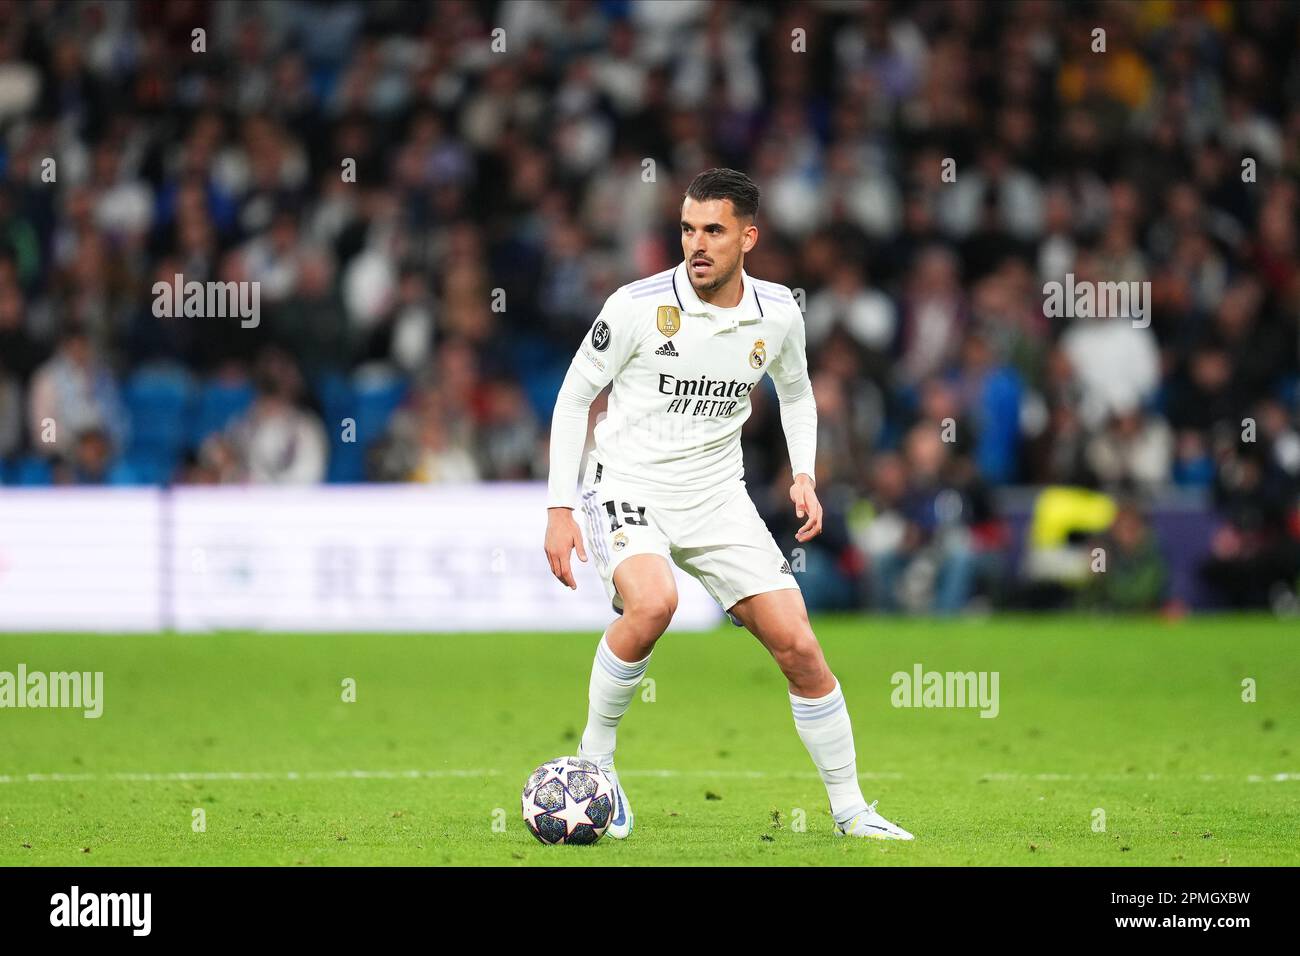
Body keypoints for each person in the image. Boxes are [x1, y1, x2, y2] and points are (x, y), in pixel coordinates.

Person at [543, 168, 913, 841]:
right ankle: (595, 767)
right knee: (655, 604)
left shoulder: (777, 313)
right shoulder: (635, 305)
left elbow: (797, 394)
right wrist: (559, 508)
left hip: (718, 497)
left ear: (749, 235)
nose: (697, 243)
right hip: (628, 484)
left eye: (713, 229)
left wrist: (803, 474)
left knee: (800, 646)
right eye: (687, 229)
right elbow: (573, 399)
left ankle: (852, 811)